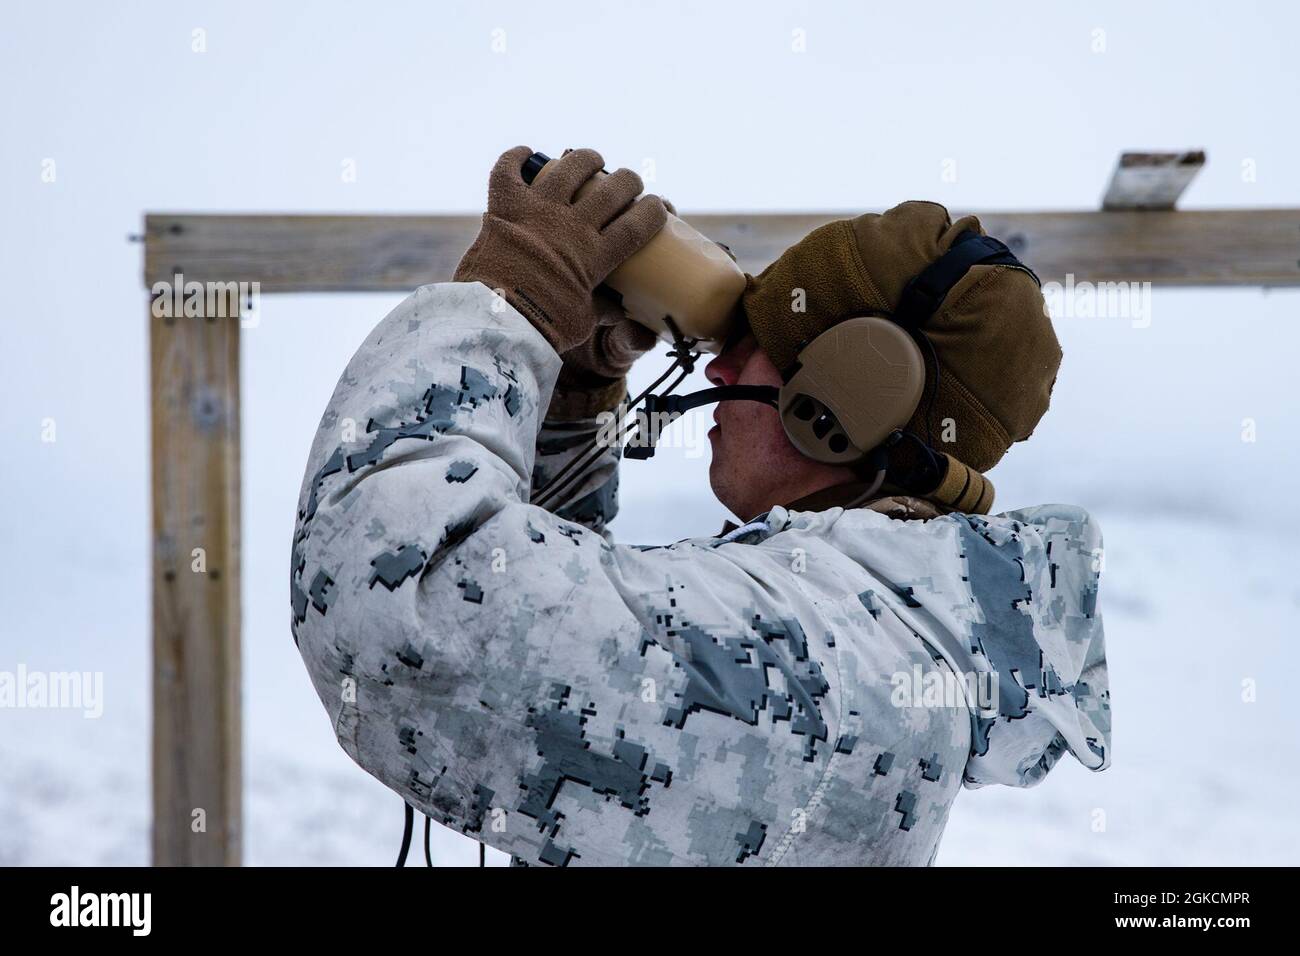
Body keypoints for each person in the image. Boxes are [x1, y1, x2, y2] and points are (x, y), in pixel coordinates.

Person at [290, 146, 1111, 866]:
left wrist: (508, 303)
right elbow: (562, 646)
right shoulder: (871, 630)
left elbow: (404, 612)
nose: (719, 371)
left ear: (850, 395)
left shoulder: (829, 670)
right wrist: (569, 409)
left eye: (758, 345)